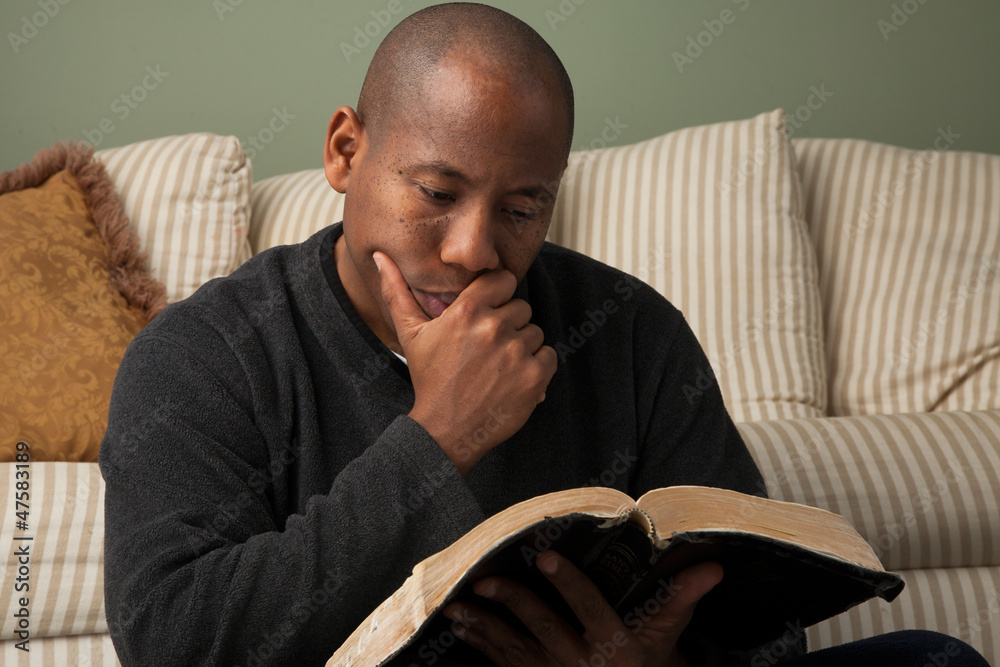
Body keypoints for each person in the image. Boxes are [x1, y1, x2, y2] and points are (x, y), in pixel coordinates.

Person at [99, 4, 989, 667]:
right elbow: (175, 640)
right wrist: (439, 436)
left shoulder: (630, 330)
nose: (475, 248)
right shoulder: (202, 353)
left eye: (523, 208)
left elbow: (758, 626)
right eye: (438, 194)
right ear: (344, 151)